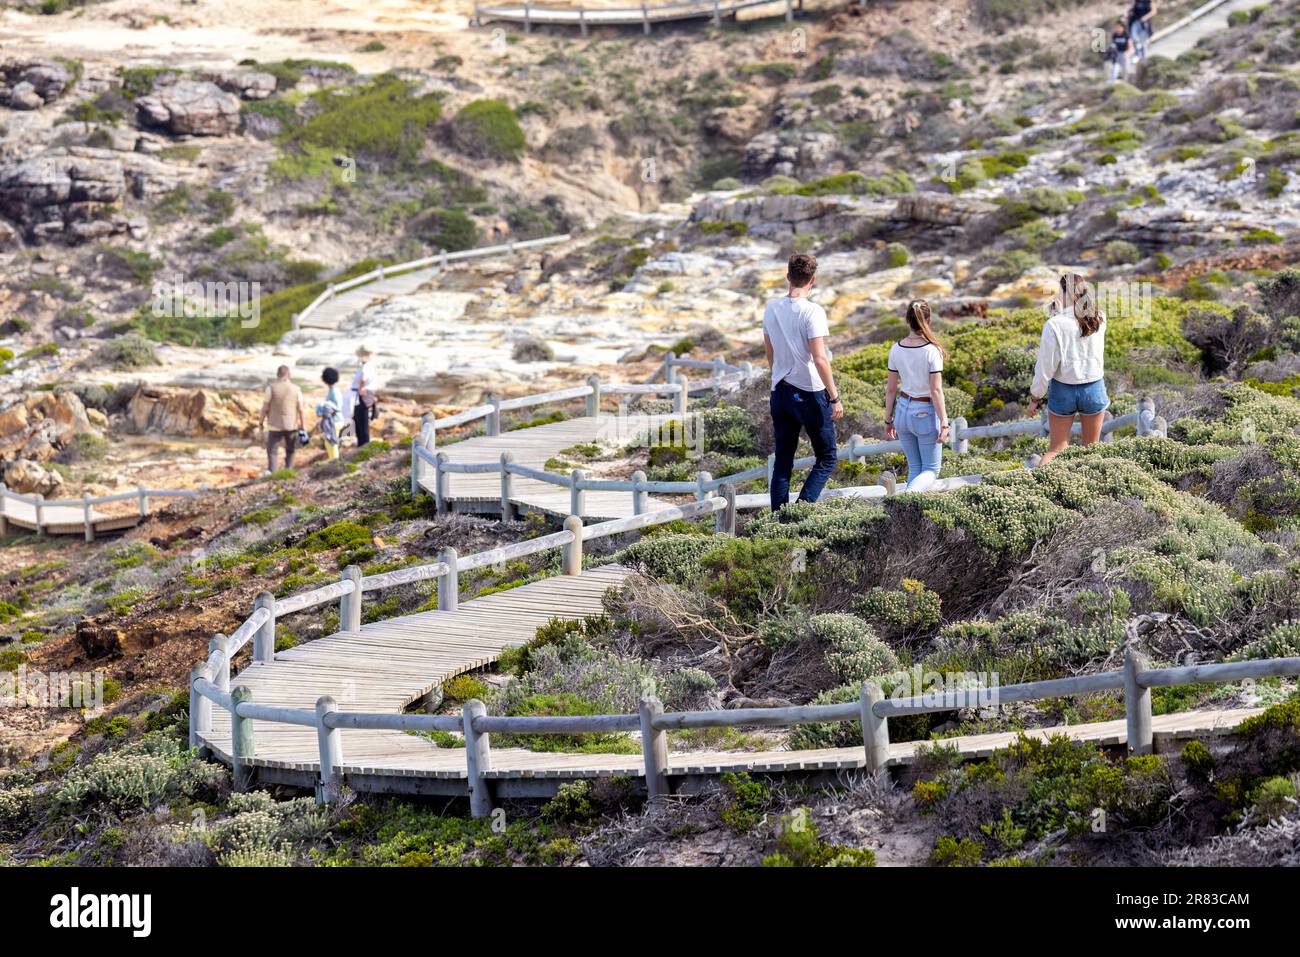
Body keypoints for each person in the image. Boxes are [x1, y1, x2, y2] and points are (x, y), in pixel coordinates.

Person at [764, 251, 843, 511]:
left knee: (783, 460)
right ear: (813, 280)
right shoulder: (813, 312)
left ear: (788, 276)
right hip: (809, 391)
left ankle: (778, 519)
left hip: (780, 389)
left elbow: (770, 351)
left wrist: (778, 375)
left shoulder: (771, 307)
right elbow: (819, 358)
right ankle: (801, 511)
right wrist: (834, 397)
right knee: (827, 456)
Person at [1027, 273, 1108, 466]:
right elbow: (1078, 325)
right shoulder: (1100, 317)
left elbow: (1045, 367)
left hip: (1064, 389)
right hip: (1093, 387)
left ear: (1066, 293)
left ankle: (1046, 488)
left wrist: (1035, 397)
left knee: (1056, 450)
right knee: (1092, 450)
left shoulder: (1054, 324)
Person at [883, 300, 950, 492]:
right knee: (930, 470)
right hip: (925, 413)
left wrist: (888, 420)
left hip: (903, 412)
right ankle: (907, 498)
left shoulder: (896, 349)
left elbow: (891, 389)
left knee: (915, 468)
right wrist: (944, 422)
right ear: (928, 320)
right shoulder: (932, 351)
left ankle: (907, 511)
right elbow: (936, 390)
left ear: (907, 320)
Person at [259, 365, 306, 473]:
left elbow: (265, 408)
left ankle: (273, 472)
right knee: (290, 450)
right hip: (291, 425)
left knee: (272, 451)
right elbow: (301, 410)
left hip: (274, 425)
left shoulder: (271, 388)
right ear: (289, 375)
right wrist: (303, 426)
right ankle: (289, 471)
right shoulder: (296, 389)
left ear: (277, 375)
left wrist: (261, 423)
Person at [343, 345, 375, 448]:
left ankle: (363, 447)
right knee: (360, 423)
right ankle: (361, 446)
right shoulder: (367, 365)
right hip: (361, 396)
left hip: (361, 396)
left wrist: (361, 388)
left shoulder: (366, 366)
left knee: (361, 424)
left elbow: (363, 378)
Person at [317, 367, 344, 461]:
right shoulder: (334, 390)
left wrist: (323, 405)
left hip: (334, 421)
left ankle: (335, 462)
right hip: (337, 420)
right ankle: (334, 461)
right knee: (330, 443)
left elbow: (337, 406)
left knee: (331, 444)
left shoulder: (333, 392)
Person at [1106, 19, 1131, 83]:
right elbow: (1112, 45)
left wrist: (1127, 54)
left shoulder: (1126, 35)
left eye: (1119, 27)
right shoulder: (1114, 35)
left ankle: (1127, 85)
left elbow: (1130, 47)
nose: (1117, 28)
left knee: (1126, 71)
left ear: (1123, 27)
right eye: (1116, 27)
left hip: (1125, 55)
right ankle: (1113, 84)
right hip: (1117, 55)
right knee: (1114, 70)